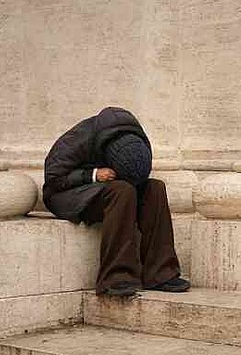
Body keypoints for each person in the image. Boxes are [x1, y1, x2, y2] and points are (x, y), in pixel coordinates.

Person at [43, 106, 190, 296]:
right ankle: (116, 278)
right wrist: (93, 174)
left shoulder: (136, 138)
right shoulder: (77, 139)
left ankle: (161, 274)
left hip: (109, 190)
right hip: (67, 195)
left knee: (155, 188)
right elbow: (53, 177)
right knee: (122, 190)